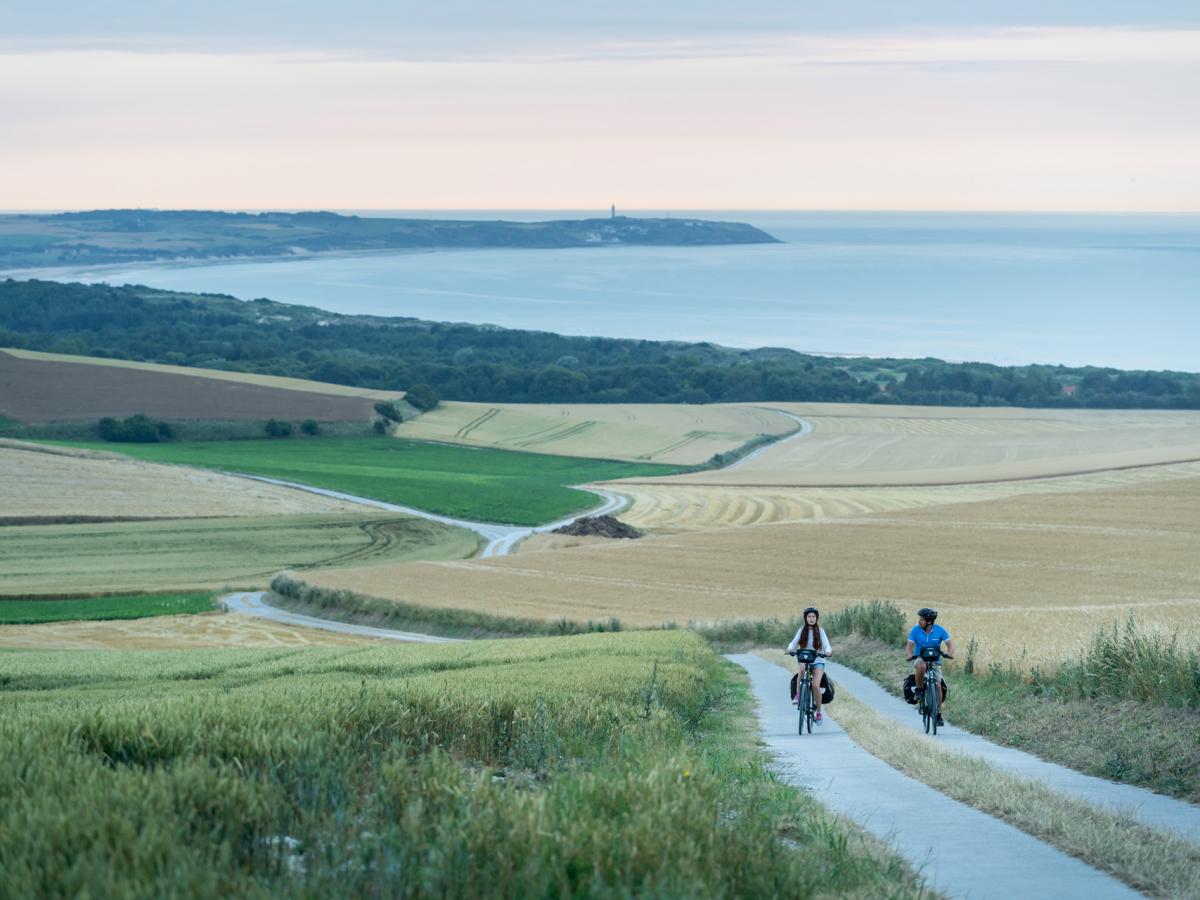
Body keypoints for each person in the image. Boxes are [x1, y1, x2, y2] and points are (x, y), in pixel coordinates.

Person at [905, 607, 954, 726]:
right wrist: (910, 655)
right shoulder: (915, 630)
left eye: (922, 619)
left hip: (935, 660)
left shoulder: (940, 630)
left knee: (938, 685)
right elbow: (909, 646)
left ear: (929, 621)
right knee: (921, 666)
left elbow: (950, 645)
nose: (919, 621)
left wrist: (950, 653)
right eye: (920, 619)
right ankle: (919, 690)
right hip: (920, 657)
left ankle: (937, 713)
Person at [787, 606, 832, 724]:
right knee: (801, 673)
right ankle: (797, 696)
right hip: (804, 658)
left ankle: (819, 713)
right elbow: (794, 641)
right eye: (809, 616)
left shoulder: (820, 631)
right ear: (805, 618)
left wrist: (828, 651)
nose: (811, 619)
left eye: (813, 616)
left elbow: (827, 644)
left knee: (815, 686)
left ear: (816, 618)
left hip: (817, 660)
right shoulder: (802, 630)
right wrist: (790, 649)